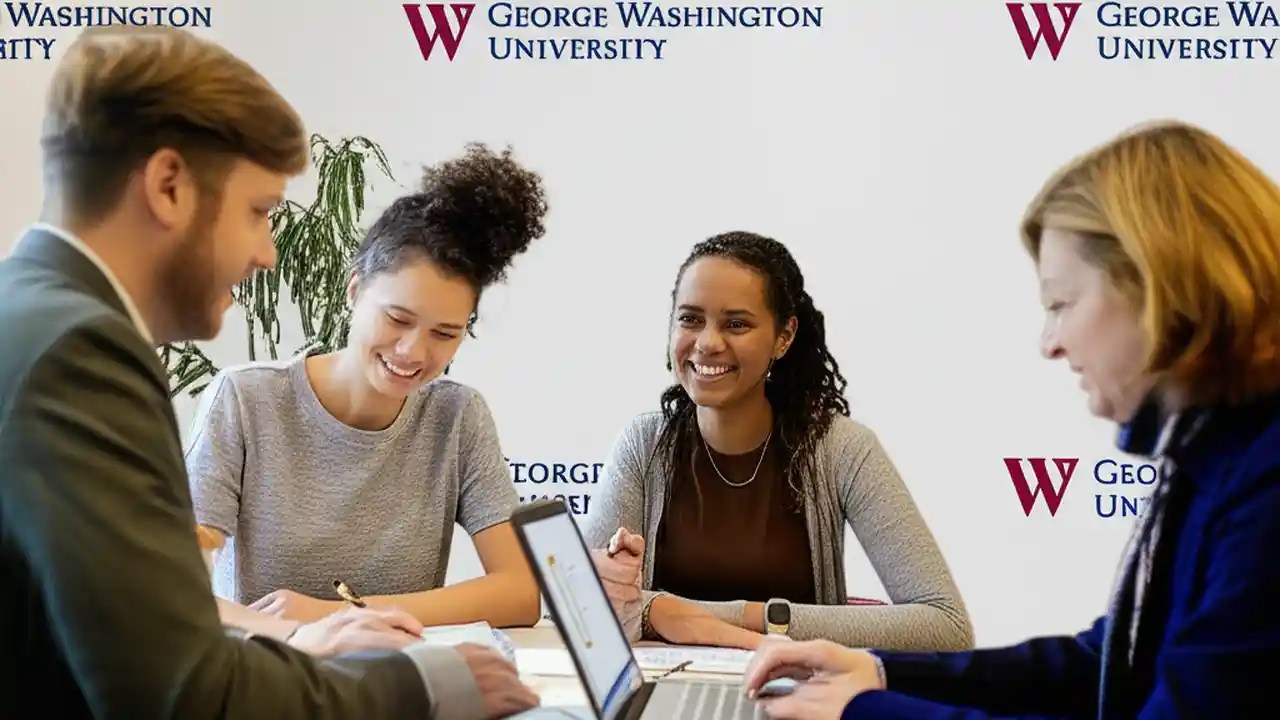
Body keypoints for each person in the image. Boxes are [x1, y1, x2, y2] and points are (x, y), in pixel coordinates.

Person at [0, 25, 537, 718]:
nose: (266, 254)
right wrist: (423, 684)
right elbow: (179, 690)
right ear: (168, 186)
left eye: (443, 332)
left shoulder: (32, 315)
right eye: (259, 213)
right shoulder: (81, 355)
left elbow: (140, 642)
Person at [741, 120, 1280, 719]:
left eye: (1061, 305)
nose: (1051, 343)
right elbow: (1107, 665)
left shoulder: (1263, 485)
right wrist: (883, 672)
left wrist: (864, 712)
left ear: (1159, 287)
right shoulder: (1216, 460)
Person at [186, 143, 546, 631]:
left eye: (445, 334)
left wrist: (342, 615)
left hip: (396, 686)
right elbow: (175, 585)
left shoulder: (457, 417)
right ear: (355, 290)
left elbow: (521, 593)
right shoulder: (246, 401)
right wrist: (304, 634)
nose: (413, 353)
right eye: (397, 319)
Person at [584, 232, 974, 652]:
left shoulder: (841, 449)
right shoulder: (645, 445)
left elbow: (946, 626)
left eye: (736, 323)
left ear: (783, 337)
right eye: (690, 318)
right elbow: (580, 609)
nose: (708, 342)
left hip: (798, 698)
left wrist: (689, 616)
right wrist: (630, 598)